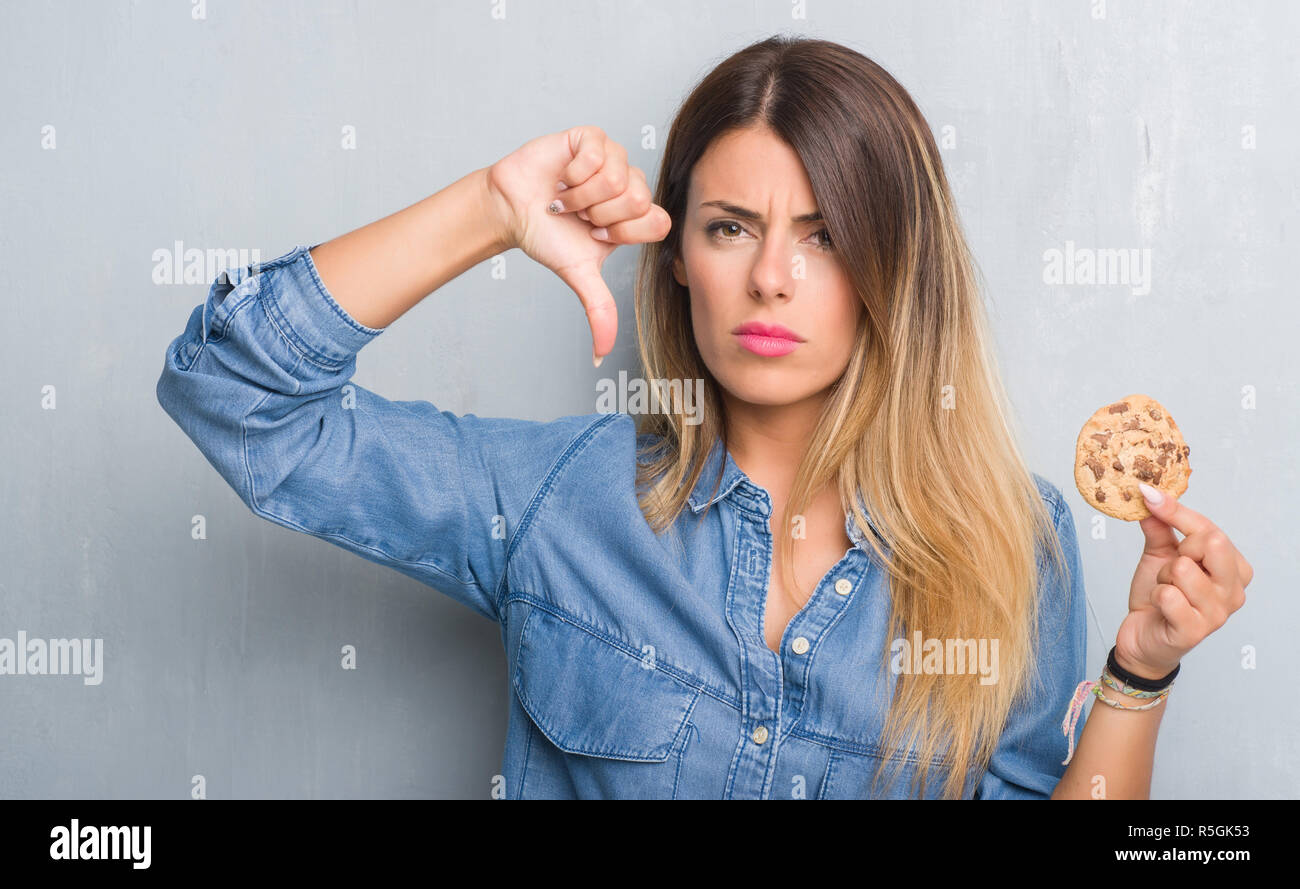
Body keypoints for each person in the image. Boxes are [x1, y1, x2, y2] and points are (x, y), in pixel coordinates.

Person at [155, 35, 1251, 799]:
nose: (772, 276)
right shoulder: (557, 501)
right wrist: (487, 213)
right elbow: (236, 394)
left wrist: (1140, 667)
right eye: (730, 228)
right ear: (676, 258)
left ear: (892, 270)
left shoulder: (1016, 542)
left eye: (824, 236)